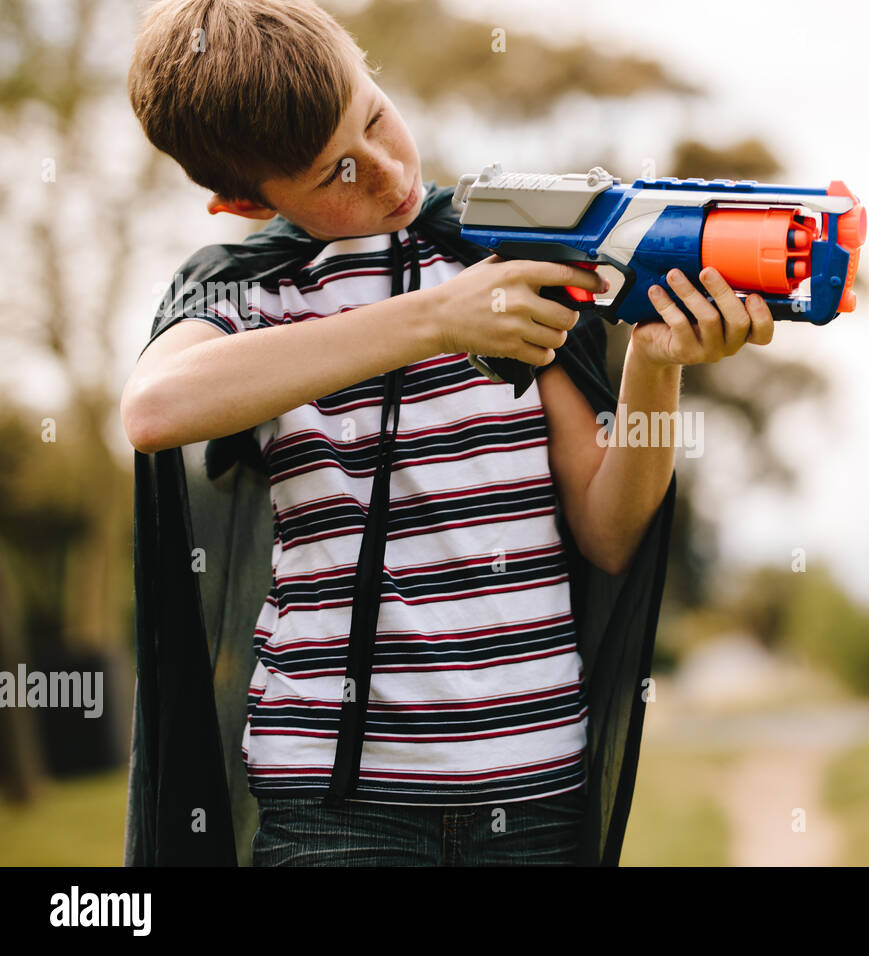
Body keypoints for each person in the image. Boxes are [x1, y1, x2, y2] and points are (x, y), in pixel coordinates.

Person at [120, 0, 775, 866]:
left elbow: (611, 535)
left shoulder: (505, 252)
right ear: (242, 201)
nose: (386, 173)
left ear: (370, 70)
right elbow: (155, 408)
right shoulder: (248, 294)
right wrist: (437, 320)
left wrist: (654, 362)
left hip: (534, 795)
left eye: (376, 117)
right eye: (334, 175)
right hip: (333, 816)